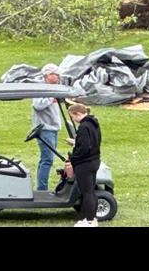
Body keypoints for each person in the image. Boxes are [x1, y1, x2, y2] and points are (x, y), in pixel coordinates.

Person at [64, 102, 103, 227]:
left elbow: (84, 148)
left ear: (78, 114)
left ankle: (89, 220)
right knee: (91, 191)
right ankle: (92, 218)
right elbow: (91, 143)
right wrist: (76, 142)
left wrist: (73, 159)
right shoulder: (93, 124)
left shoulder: (83, 126)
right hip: (94, 160)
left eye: (72, 117)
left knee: (86, 192)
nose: (73, 120)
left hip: (84, 163)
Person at [30, 64, 63, 193]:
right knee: (47, 159)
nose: (59, 77)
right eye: (56, 75)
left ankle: (41, 188)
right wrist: (51, 96)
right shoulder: (40, 89)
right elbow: (38, 105)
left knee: (47, 159)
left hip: (53, 128)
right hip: (44, 129)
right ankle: (42, 190)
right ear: (48, 75)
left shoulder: (52, 88)